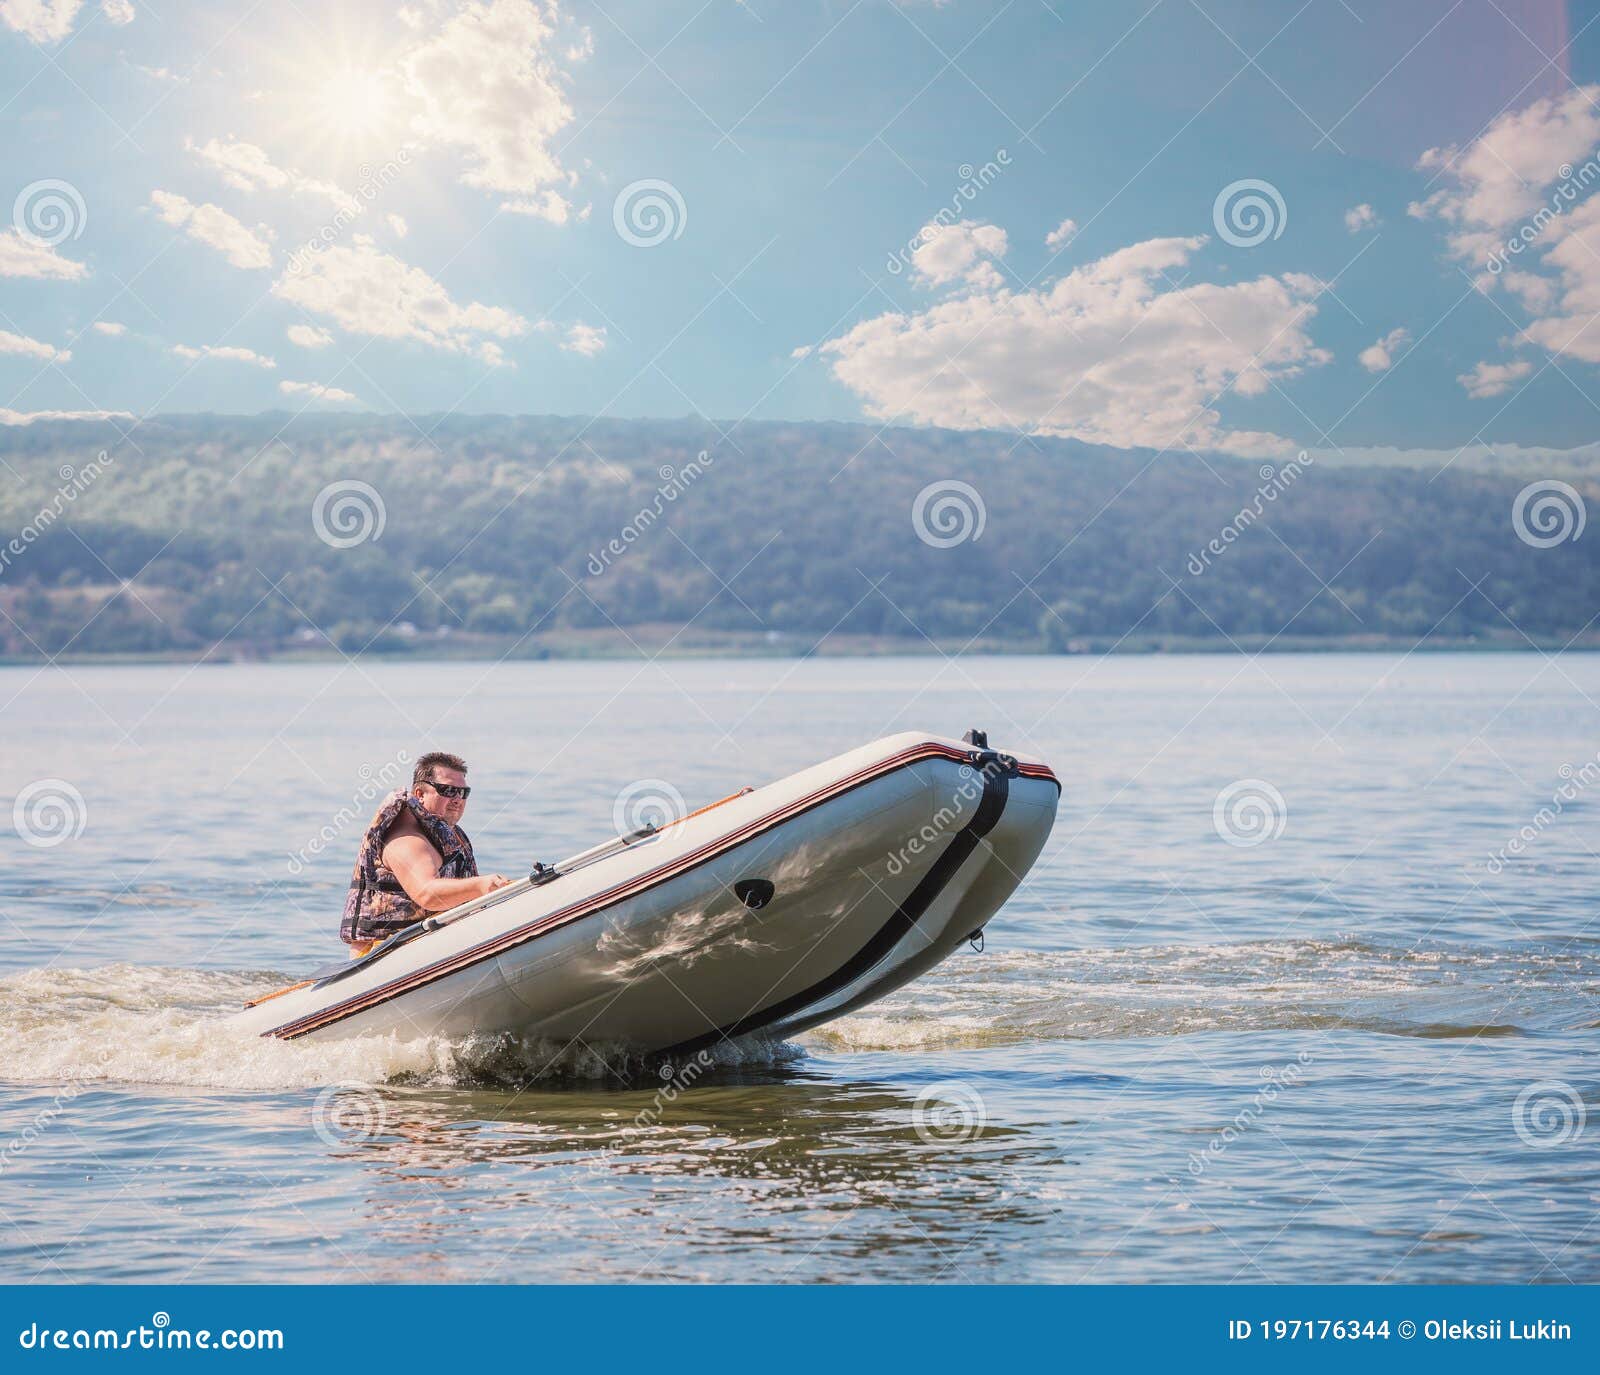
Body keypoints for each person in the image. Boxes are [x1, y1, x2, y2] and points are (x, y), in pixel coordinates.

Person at [340, 751, 511, 955]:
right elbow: (426, 894)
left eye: (463, 793)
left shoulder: (445, 834)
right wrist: (482, 885)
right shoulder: (406, 840)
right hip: (385, 954)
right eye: (448, 790)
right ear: (420, 794)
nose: (458, 799)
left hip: (429, 944)